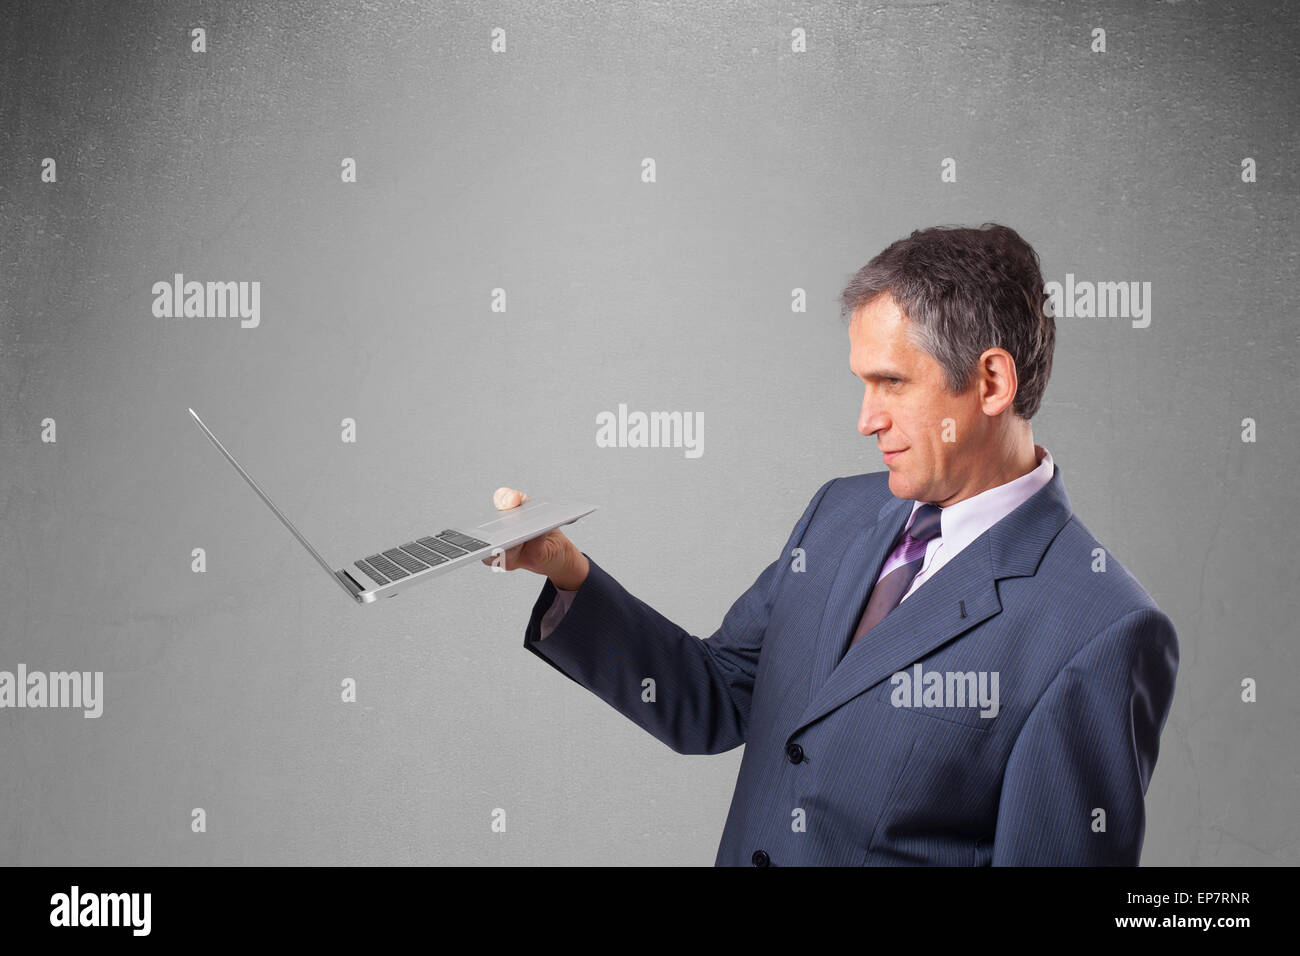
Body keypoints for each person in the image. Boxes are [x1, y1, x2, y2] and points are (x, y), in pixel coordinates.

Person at [485, 223, 1179, 866]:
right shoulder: (839, 513)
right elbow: (715, 696)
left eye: (892, 384)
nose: (865, 420)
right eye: (862, 384)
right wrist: (567, 573)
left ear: (992, 382)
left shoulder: (1101, 631)